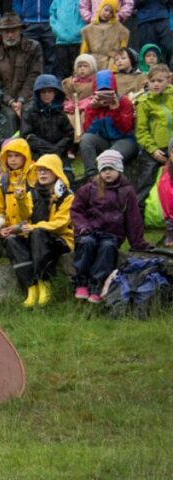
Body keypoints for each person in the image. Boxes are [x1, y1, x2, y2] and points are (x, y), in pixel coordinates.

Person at [70, 150, 151, 303]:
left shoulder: (127, 191)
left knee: (107, 248)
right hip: (89, 231)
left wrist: (138, 242)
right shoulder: (88, 189)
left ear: (119, 169)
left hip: (112, 234)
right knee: (86, 243)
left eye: (111, 169)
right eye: (103, 169)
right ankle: (81, 283)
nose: (107, 173)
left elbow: (133, 219)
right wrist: (83, 227)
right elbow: (76, 210)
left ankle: (96, 286)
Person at [1, 154, 74, 308]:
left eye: (47, 170)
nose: (42, 174)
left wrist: (35, 227)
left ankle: (44, 283)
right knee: (11, 241)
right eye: (40, 170)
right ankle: (31, 287)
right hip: (35, 236)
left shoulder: (67, 196)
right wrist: (20, 200)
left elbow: (61, 223)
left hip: (60, 239)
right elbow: (25, 215)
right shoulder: (32, 192)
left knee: (38, 233)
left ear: (56, 172)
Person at [0, 12, 43, 130]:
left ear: (20, 30)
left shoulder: (33, 47)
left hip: (29, 98)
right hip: (4, 100)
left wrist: (21, 100)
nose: (10, 35)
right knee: (9, 116)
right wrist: (10, 101)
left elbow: (34, 76)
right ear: (1, 33)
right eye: (6, 31)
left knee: (27, 112)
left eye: (14, 31)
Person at [79, 70, 137, 182]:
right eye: (101, 93)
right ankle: (92, 177)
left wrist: (115, 110)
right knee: (86, 139)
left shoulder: (124, 102)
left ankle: (112, 182)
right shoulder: (92, 106)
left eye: (108, 93)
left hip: (125, 141)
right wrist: (93, 110)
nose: (105, 98)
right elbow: (88, 130)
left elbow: (126, 129)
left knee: (109, 157)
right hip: (104, 140)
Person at [135, 65, 173, 212]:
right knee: (145, 181)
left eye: (160, 80)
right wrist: (153, 150)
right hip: (153, 149)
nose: (156, 84)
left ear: (167, 81)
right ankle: (137, 216)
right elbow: (141, 131)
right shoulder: (144, 102)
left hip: (172, 148)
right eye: (152, 81)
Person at [22, 75, 75, 162]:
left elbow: (69, 134)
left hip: (58, 153)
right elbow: (27, 135)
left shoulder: (59, 110)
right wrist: (50, 149)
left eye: (50, 91)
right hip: (36, 154)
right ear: (38, 93)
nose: (47, 94)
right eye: (43, 92)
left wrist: (58, 148)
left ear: (55, 93)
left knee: (66, 175)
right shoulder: (29, 110)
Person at [79, 0, 128, 72]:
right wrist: (83, 61)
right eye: (106, 10)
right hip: (93, 62)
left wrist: (117, 54)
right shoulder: (90, 28)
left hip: (109, 63)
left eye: (111, 12)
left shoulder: (117, 27)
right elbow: (84, 48)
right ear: (100, 9)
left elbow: (124, 38)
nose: (107, 13)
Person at [14, 0, 57, 74]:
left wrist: (55, 20)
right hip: (28, 23)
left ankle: (49, 82)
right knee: (28, 56)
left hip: (48, 23)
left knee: (51, 57)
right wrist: (20, 21)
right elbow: (17, 3)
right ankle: (31, 81)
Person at [50, 0, 86, 79]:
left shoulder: (82, 1)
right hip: (61, 42)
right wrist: (57, 30)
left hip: (78, 41)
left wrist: (80, 30)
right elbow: (52, 14)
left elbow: (85, 13)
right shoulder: (58, 1)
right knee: (63, 72)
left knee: (78, 71)